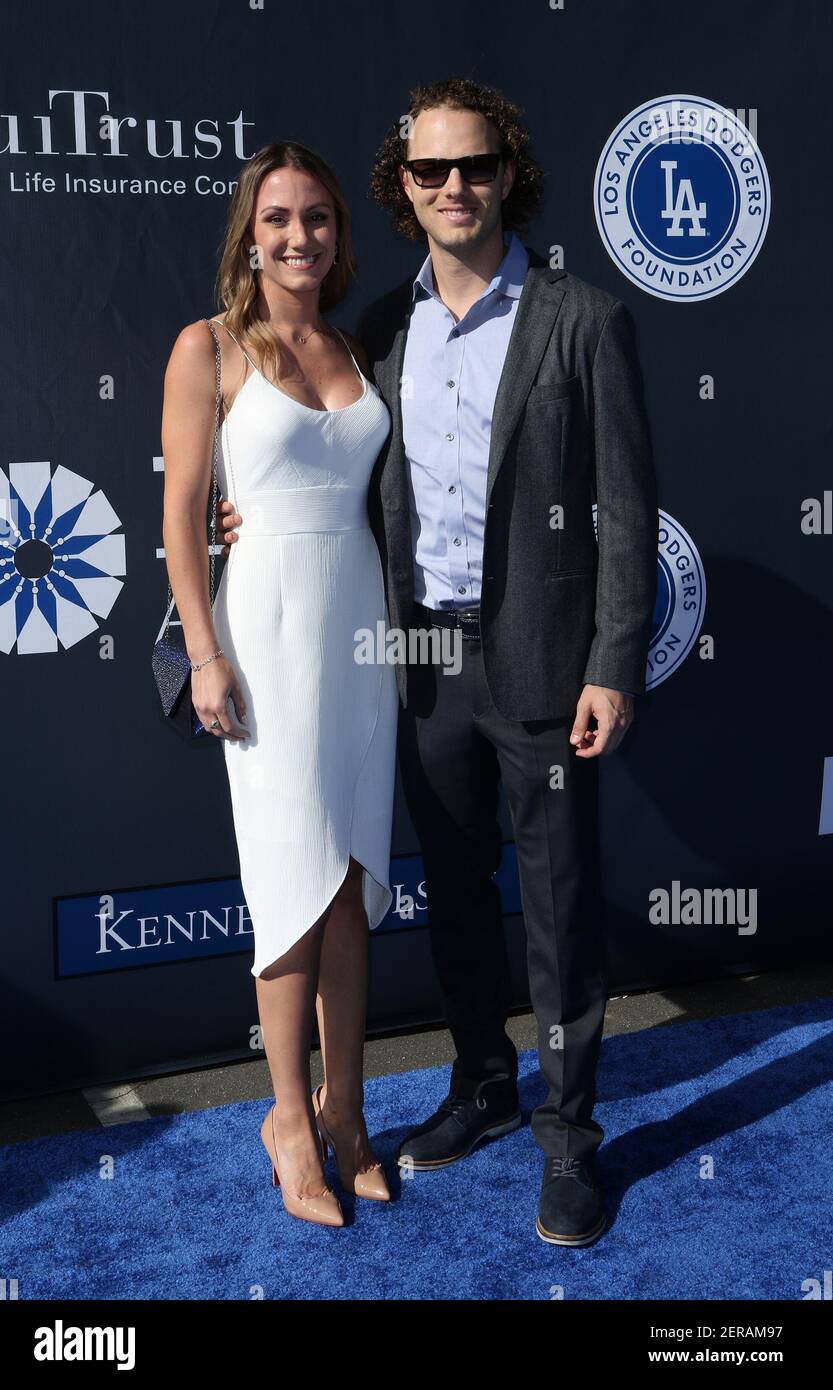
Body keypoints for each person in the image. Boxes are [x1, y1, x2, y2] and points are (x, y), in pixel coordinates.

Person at [218, 78, 658, 1247]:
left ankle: (571, 1143)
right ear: (402, 191)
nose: (453, 187)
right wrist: (237, 518)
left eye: (473, 167)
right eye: (429, 171)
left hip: (547, 664)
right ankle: (482, 1083)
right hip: (412, 660)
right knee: (455, 895)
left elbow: (625, 504)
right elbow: (315, 463)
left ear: (508, 174)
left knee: (558, 913)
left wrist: (615, 661)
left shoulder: (582, 318)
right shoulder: (383, 333)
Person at [161, 141, 398, 1228]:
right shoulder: (206, 348)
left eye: (317, 218)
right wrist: (206, 655)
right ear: (247, 235)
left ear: (339, 235)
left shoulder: (357, 344)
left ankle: (345, 1110)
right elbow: (181, 521)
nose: (298, 236)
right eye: (277, 219)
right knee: (291, 889)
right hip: (265, 637)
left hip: (363, 632)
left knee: (349, 882)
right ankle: (286, 1123)